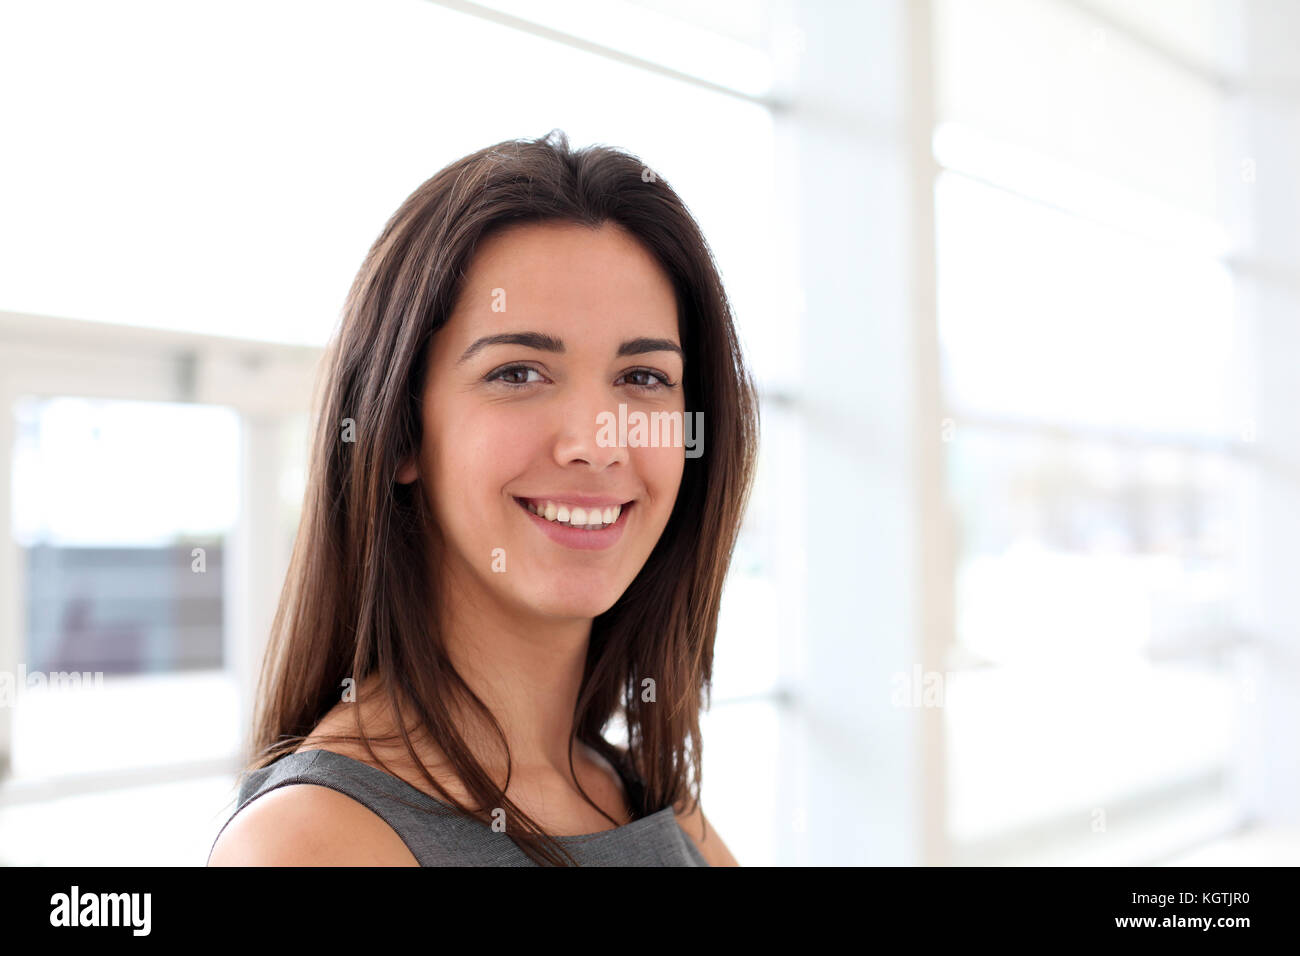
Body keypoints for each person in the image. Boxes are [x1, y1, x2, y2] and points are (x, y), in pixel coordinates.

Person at [207, 130, 759, 866]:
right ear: (401, 432)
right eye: (519, 373)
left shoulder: (652, 805)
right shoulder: (310, 842)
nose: (596, 442)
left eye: (643, 378)